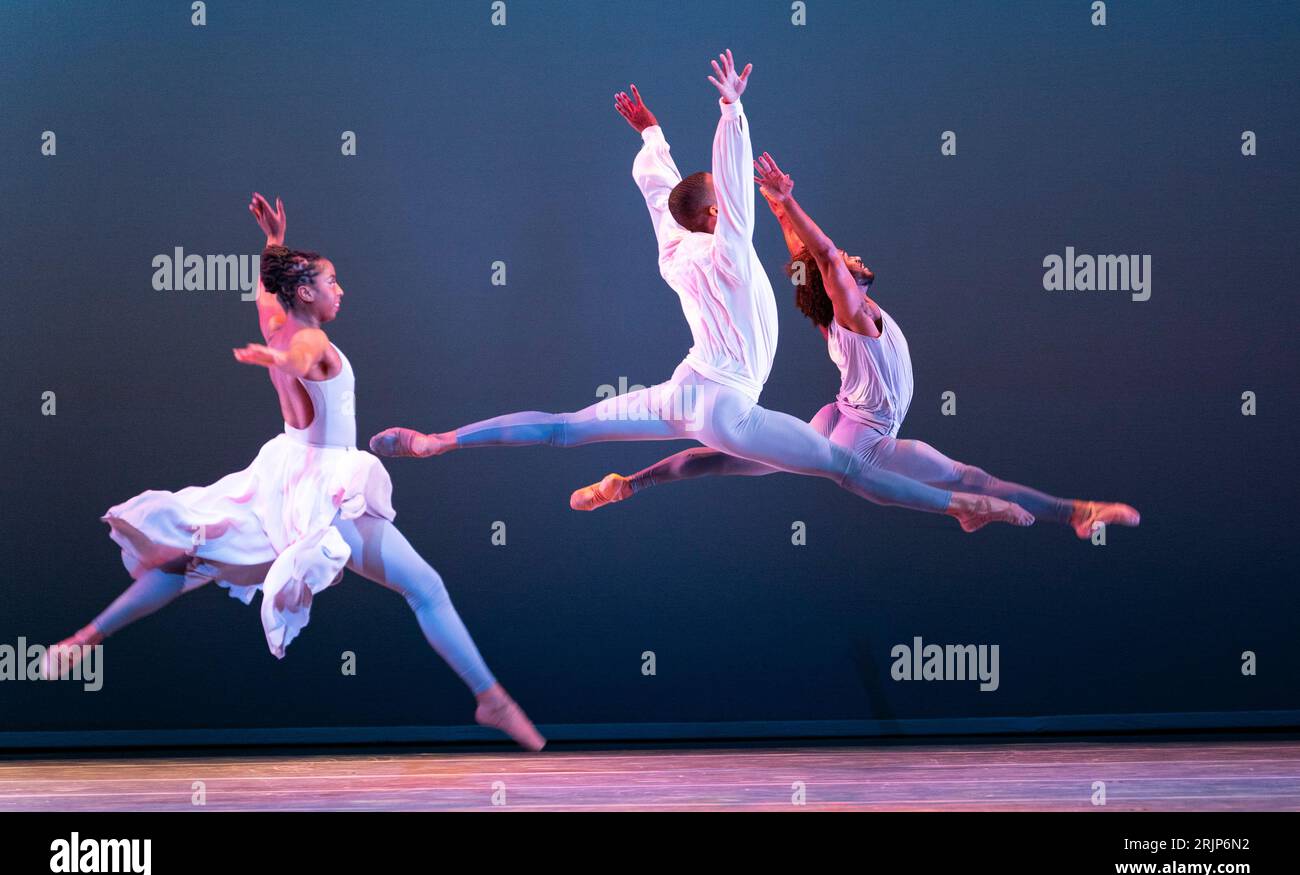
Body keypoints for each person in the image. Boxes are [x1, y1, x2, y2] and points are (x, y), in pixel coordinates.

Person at [370, 51, 1031, 534]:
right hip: (725, 406)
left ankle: (441, 440)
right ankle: (965, 507)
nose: (729, 198)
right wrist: (730, 108)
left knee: (565, 429)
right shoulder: (730, 247)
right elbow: (728, 176)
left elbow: (663, 192)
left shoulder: (675, 245)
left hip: (683, 389)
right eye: (724, 200)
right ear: (718, 215)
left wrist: (650, 133)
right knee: (847, 469)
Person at [41, 194, 545, 751]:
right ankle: (491, 698)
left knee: (188, 558)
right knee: (425, 587)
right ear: (305, 291)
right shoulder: (311, 341)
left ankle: (86, 637)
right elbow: (304, 357)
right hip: (323, 487)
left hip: (280, 476)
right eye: (333, 281)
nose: (341, 289)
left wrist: (273, 242)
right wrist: (280, 359)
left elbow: (268, 301)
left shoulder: (276, 318)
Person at [569, 153, 1141, 540]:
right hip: (863, 434)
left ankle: (628, 484)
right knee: (951, 481)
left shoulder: (836, 310)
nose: (856, 259)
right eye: (849, 263)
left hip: (841, 415)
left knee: (728, 459)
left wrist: (779, 208)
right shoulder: (853, 312)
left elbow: (809, 260)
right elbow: (823, 257)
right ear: (844, 281)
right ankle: (1032, 512)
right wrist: (788, 204)